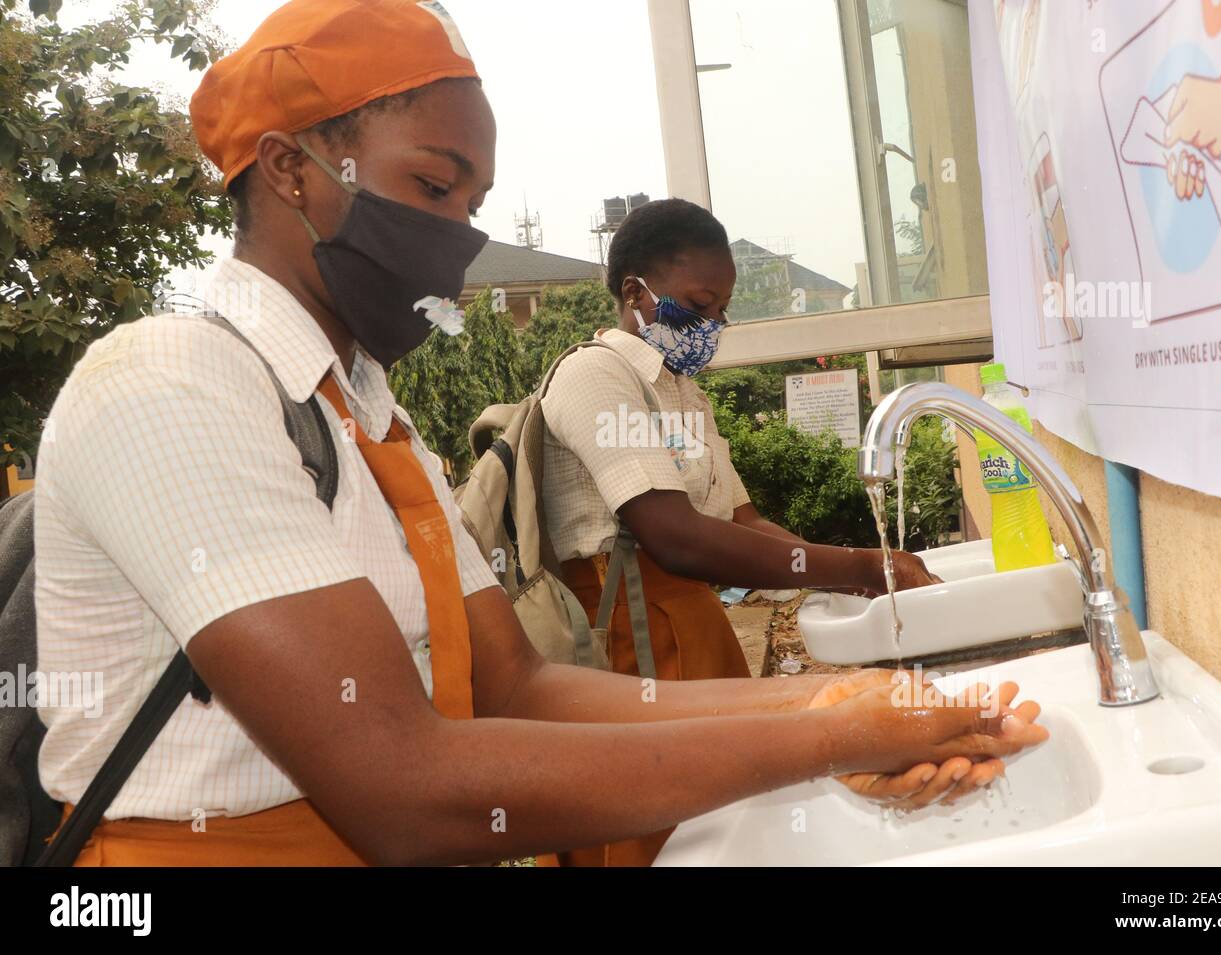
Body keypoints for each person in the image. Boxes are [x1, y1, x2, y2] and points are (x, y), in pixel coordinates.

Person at [33, 0, 1046, 867]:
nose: (460, 235)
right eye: (434, 186)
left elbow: (517, 685)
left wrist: (830, 715)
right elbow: (398, 782)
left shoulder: (370, 417)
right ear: (292, 168)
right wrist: (821, 739)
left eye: (472, 202)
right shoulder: (168, 386)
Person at [538, 198, 944, 865]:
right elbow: (673, 534)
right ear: (636, 292)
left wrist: (856, 562)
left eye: (721, 310)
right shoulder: (595, 376)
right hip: (626, 645)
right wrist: (857, 569)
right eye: (700, 305)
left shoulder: (682, 393)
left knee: (723, 823)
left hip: (691, 630)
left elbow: (742, 522)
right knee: (651, 831)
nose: (712, 325)